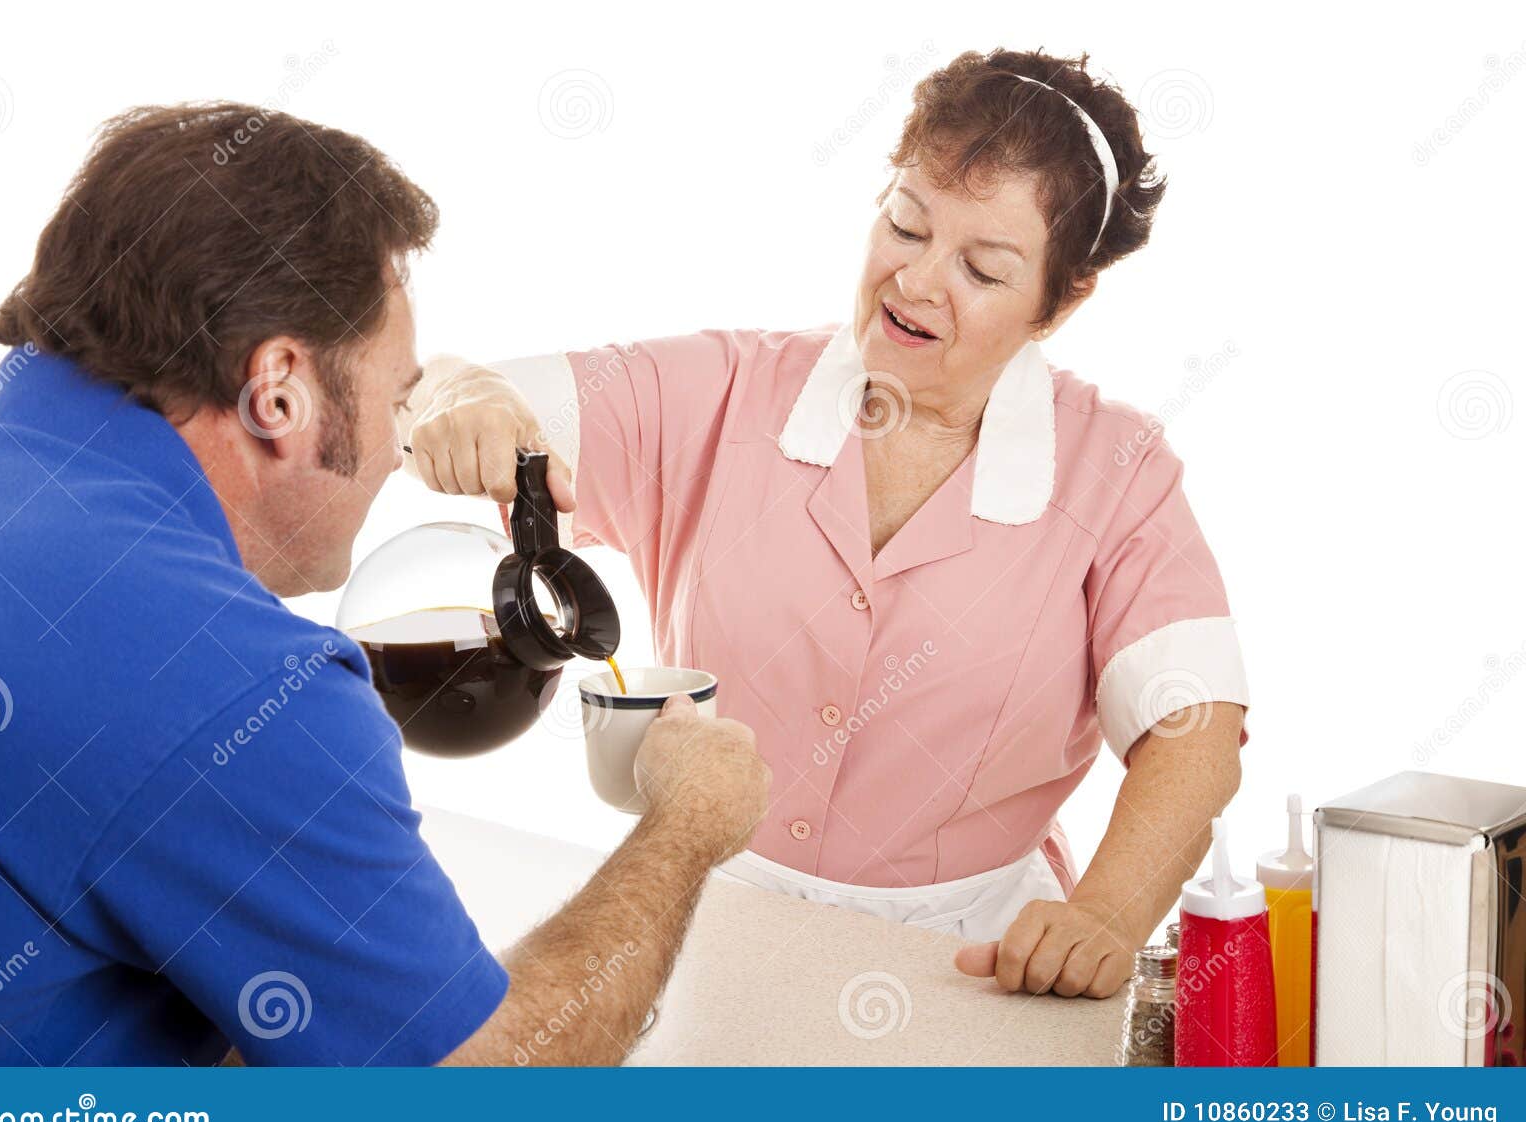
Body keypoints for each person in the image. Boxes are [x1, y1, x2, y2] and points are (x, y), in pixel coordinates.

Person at [0, 103, 767, 1066]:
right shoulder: (223, 679)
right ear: (278, 390)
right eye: (395, 398)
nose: (391, 451)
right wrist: (685, 826)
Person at [398, 49, 1249, 1000]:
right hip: (704, 922)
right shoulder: (724, 390)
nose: (918, 281)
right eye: (905, 223)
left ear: (1063, 297)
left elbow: (1195, 728)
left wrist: (1105, 914)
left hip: (977, 964)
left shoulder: (1116, 469)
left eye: (982, 268)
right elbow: (461, 389)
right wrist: (463, 396)